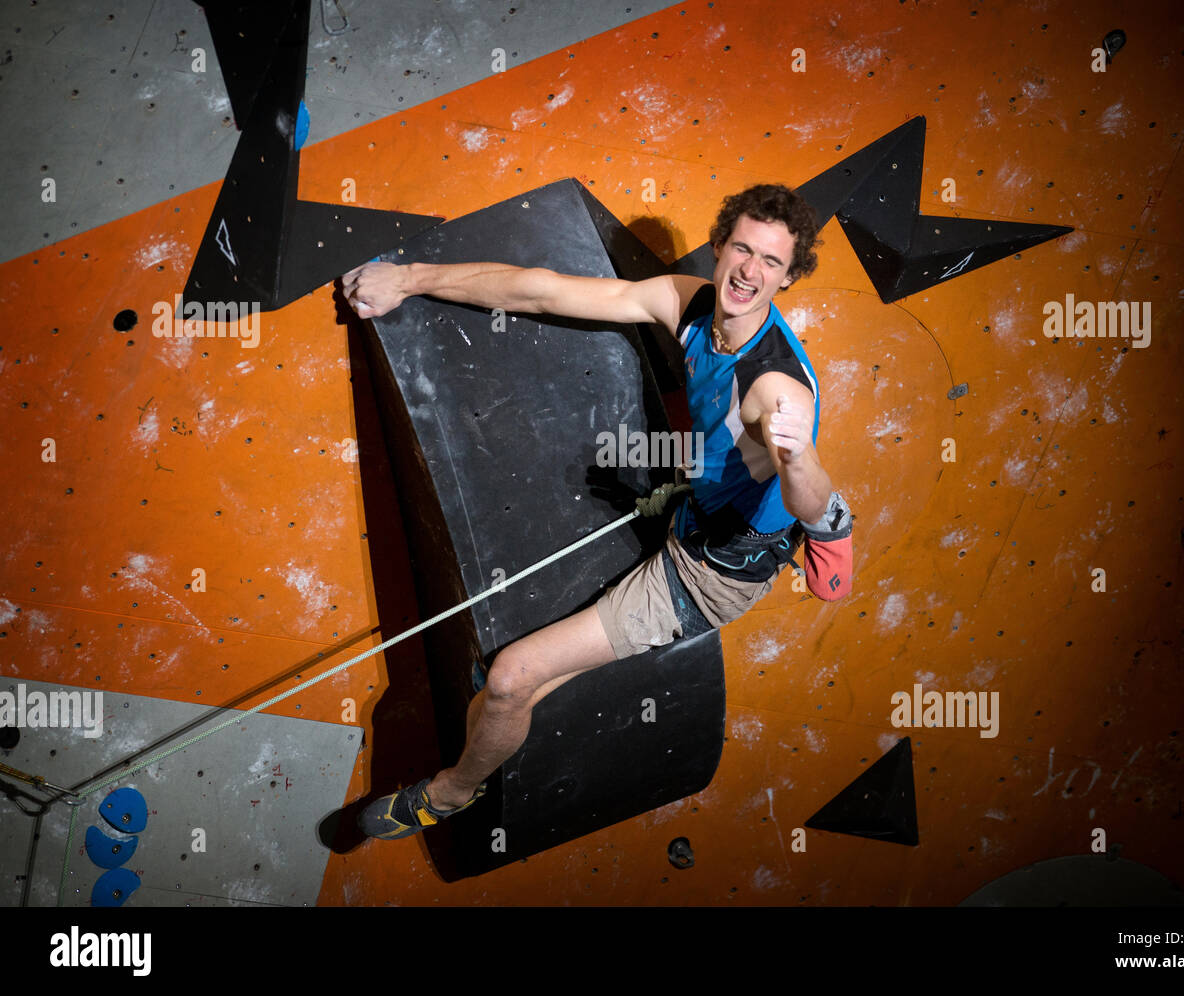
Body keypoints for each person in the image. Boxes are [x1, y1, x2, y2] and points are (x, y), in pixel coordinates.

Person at [343, 184, 838, 839]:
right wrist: (409, 278)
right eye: (742, 249)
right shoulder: (688, 302)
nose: (749, 271)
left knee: (512, 679)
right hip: (694, 514)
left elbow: (808, 495)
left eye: (771, 263)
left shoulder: (771, 387)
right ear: (719, 245)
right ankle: (495, 718)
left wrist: (798, 458)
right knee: (503, 689)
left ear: (789, 275)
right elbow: (542, 290)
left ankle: (451, 792)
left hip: (708, 574)